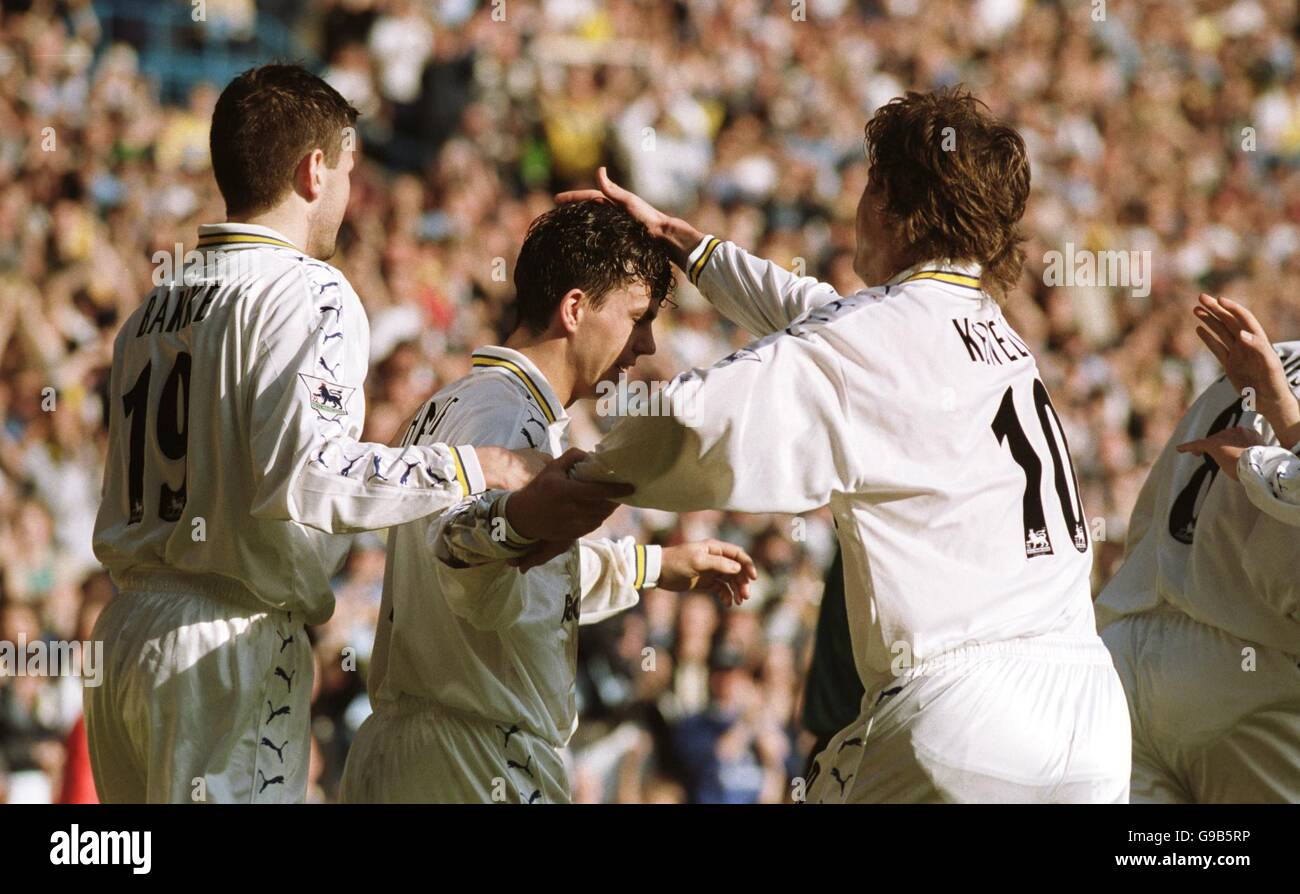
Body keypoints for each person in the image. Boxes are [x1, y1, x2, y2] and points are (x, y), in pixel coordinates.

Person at [557, 86, 1132, 802]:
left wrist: (573, 476)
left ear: (892, 203)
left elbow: (692, 424)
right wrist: (683, 244)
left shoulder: (873, 340)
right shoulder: (998, 336)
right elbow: (823, 314)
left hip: (964, 719)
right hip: (1093, 723)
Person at [87, 64, 562, 804]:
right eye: (348, 169)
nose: (352, 191)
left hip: (124, 637)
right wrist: (483, 464)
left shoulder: (153, 305)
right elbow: (312, 476)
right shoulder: (309, 289)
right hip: (227, 642)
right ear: (314, 171)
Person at [339, 201, 756, 804]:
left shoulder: (462, 401)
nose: (645, 344)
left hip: (426, 752)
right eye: (636, 318)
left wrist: (654, 567)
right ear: (575, 308)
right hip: (477, 760)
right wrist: (520, 520)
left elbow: (525, 580)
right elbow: (469, 549)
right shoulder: (509, 417)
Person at [1095, 293, 1300, 802]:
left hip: (1127, 655)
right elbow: (1282, 578)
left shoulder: (1270, 354)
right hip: (1250, 673)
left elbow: (1148, 517)